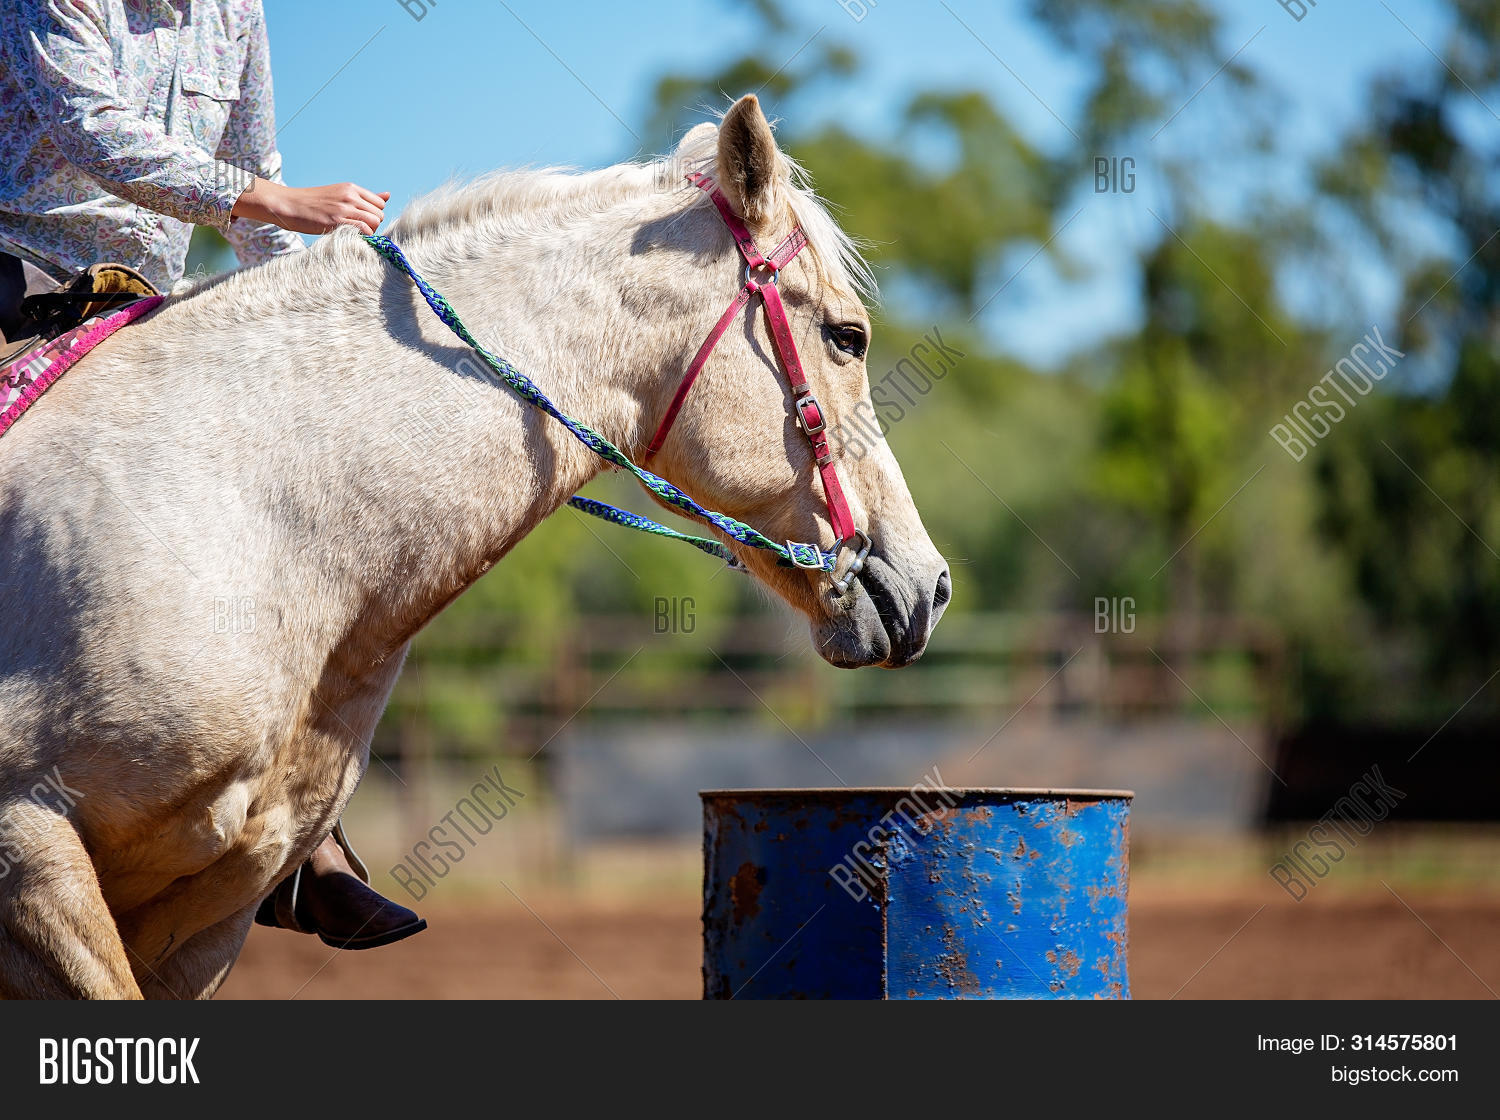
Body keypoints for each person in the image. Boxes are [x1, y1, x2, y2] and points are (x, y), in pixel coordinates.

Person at [0, 0, 425, 950]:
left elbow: (259, 166)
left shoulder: (236, 10)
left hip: (152, 313)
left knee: (285, 528)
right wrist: (274, 204)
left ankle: (304, 841)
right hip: (23, 287)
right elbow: (95, 131)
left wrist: (305, 319)